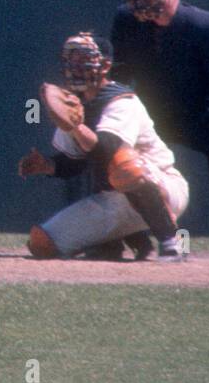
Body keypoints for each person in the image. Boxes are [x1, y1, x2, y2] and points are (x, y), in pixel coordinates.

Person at [19, 33, 189, 261]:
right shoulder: (74, 103)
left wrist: (76, 127)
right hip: (117, 198)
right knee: (43, 244)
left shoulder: (122, 100)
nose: (74, 66)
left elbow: (108, 150)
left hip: (164, 187)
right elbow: (74, 163)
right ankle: (120, 242)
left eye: (82, 59)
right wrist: (48, 165)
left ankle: (172, 240)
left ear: (106, 64)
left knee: (125, 165)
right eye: (71, 59)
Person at [111, 0, 209, 232]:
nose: (144, 2)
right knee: (113, 154)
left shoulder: (205, 26)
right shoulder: (127, 21)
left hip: (203, 114)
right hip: (153, 115)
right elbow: (119, 75)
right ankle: (122, 237)